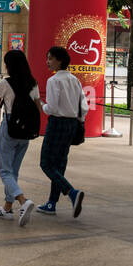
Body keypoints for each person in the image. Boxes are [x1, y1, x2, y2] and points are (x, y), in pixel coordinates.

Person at [0, 49, 38, 226]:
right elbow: (38, 108)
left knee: (5, 170)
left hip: (10, 127)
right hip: (26, 131)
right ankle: (6, 208)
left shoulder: (5, 83)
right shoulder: (32, 83)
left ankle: (23, 200)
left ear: (9, 65)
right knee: (13, 171)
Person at [36, 45, 86, 217]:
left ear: (60, 60)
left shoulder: (54, 81)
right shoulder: (75, 80)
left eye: (50, 58)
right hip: (72, 124)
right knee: (60, 163)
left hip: (57, 123)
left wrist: (42, 106)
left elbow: (52, 107)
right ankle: (51, 203)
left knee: (46, 163)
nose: (48, 62)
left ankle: (71, 192)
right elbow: (83, 107)